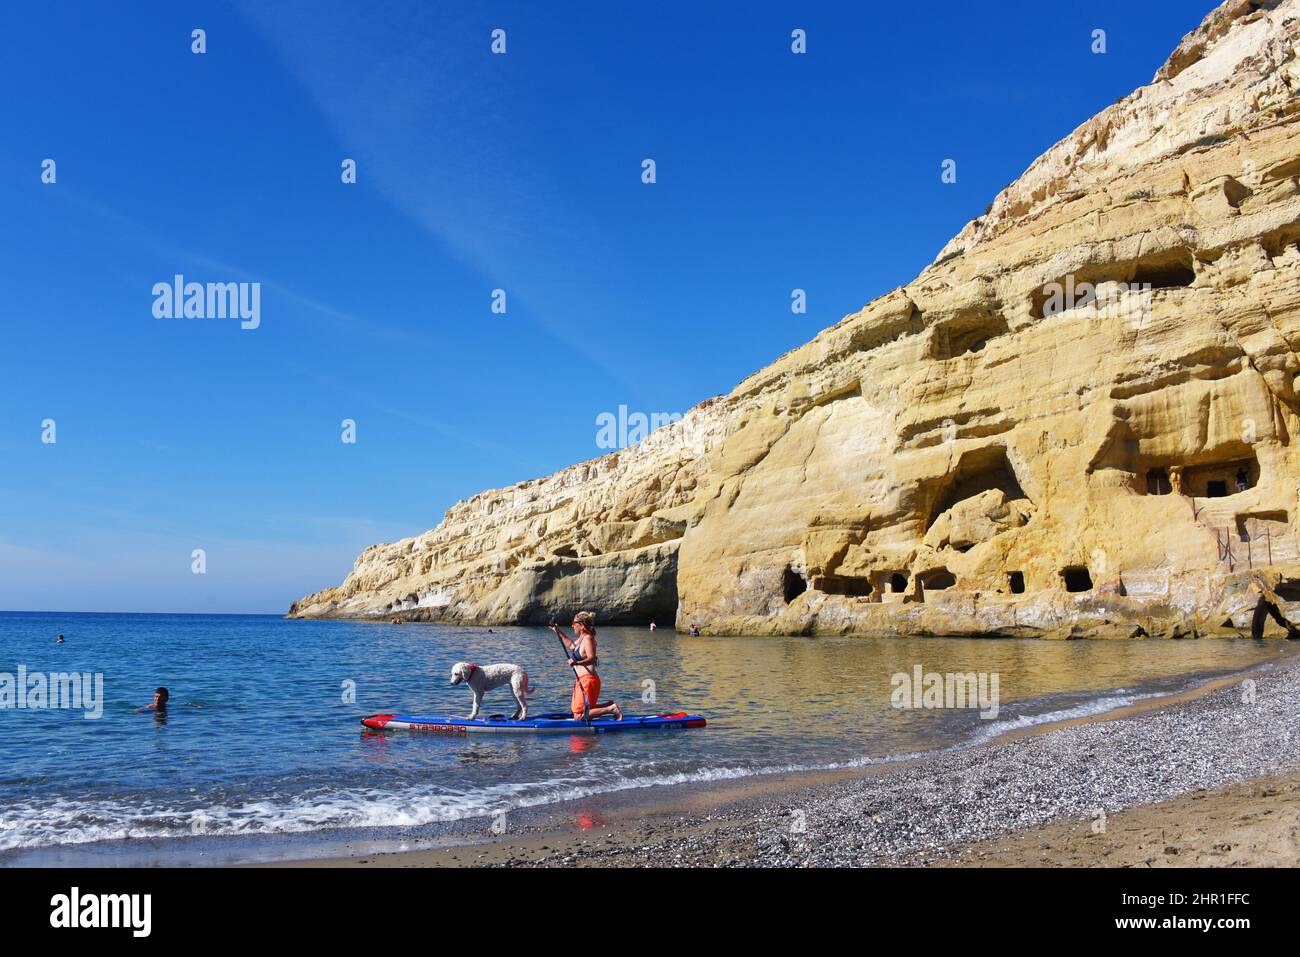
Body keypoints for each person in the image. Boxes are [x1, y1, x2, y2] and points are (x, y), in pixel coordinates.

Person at [550, 611, 621, 721]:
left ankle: (611, 709)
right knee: (577, 711)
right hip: (581, 681)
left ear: (581, 625)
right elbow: (571, 645)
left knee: (578, 716)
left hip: (589, 681)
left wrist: (576, 663)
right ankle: (609, 705)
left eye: (574, 623)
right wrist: (558, 631)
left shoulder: (588, 638)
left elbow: (591, 658)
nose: (572, 626)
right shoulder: (581, 639)